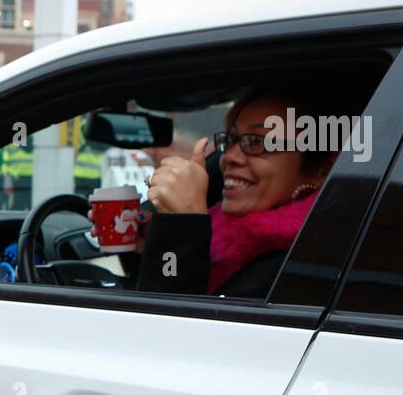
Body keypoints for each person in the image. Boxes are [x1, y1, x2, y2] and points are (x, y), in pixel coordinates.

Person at [135, 90, 344, 298]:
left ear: (322, 170)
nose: (229, 157)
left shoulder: (309, 264)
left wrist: (181, 231)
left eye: (258, 142)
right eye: (232, 139)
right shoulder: (224, 235)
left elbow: (167, 323)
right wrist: (157, 245)